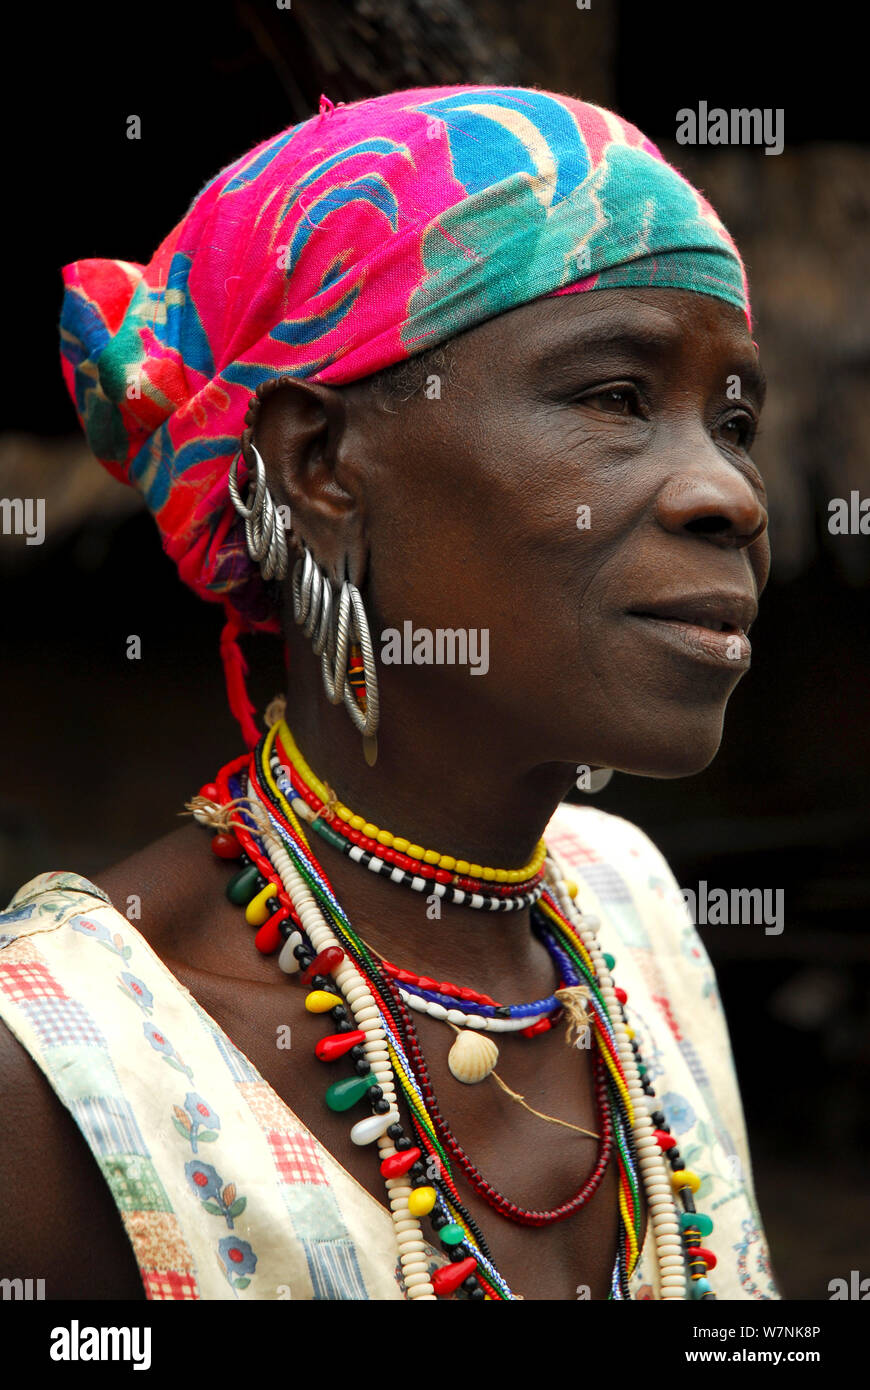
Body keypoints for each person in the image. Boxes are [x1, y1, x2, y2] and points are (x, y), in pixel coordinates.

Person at [0, 84, 779, 1301]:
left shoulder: (635, 918)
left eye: (735, 419)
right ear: (318, 466)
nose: (732, 494)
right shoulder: (67, 1065)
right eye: (614, 397)